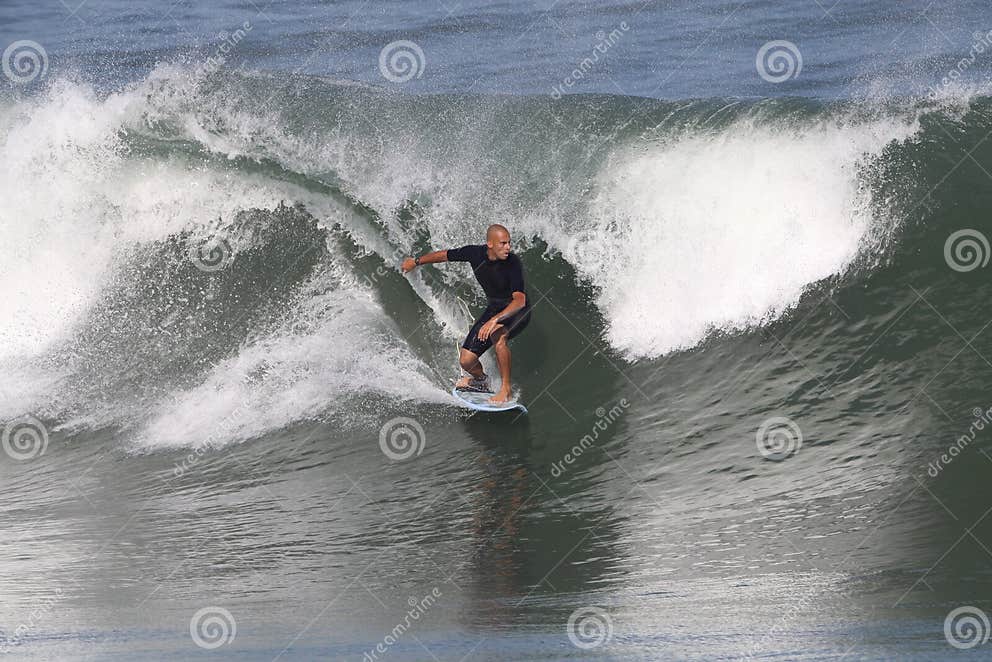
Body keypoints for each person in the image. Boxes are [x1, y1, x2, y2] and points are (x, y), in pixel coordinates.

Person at [402, 224, 531, 404]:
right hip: (494, 308)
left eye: (509, 243)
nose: (508, 247)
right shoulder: (474, 254)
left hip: (517, 312)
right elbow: (445, 255)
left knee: (497, 335)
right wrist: (416, 262)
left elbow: (520, 300)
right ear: (490, 244)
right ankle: (481, 381)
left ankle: (506, 390)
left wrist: (494, 321)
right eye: (503, 243)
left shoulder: (513, 263)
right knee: (466, 361)